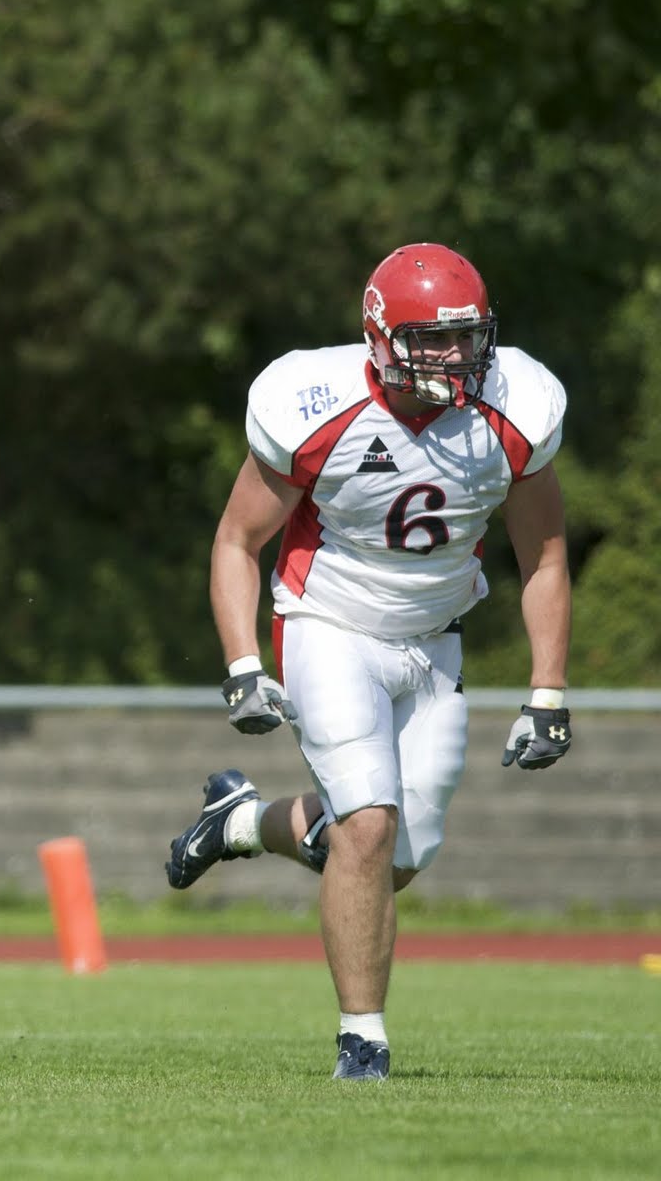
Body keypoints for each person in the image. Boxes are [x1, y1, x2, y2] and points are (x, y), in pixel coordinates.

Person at [164, 243, 572, 1081]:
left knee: (397, 856)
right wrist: (244, 661)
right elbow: (239, 540)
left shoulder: (514, 408)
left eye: (467, 338)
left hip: (435, 640)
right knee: (368, 825)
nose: (456, 357)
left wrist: (548, 689)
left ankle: (239, 820)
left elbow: (546, 558)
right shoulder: (316, 404)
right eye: (434, 339)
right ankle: (364, 1041)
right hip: (328, 624)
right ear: (382, 337)